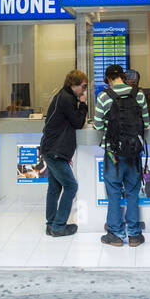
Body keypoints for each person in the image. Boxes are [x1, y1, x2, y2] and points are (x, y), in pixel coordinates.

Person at [93, 64, 150, 246]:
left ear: (109, 79)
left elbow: (97, 125)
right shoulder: (138, 94)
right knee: (133, 191)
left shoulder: (104, 96)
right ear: (123, 77)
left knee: (114, 192)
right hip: (134, 151)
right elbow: (146, 123)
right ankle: (134, 234)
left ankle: (116, 234)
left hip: (113, 153)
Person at [39, 70, 88, 237]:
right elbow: (78, 123)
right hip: (55, 151)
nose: (84, 90)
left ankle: (51, 224)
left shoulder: (64, 96)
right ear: (73, 85)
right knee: (71, 186)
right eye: (83, 86)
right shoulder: (67, 99)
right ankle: (59, 226)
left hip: (51, 149)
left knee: (54, 187)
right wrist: (83, 104)